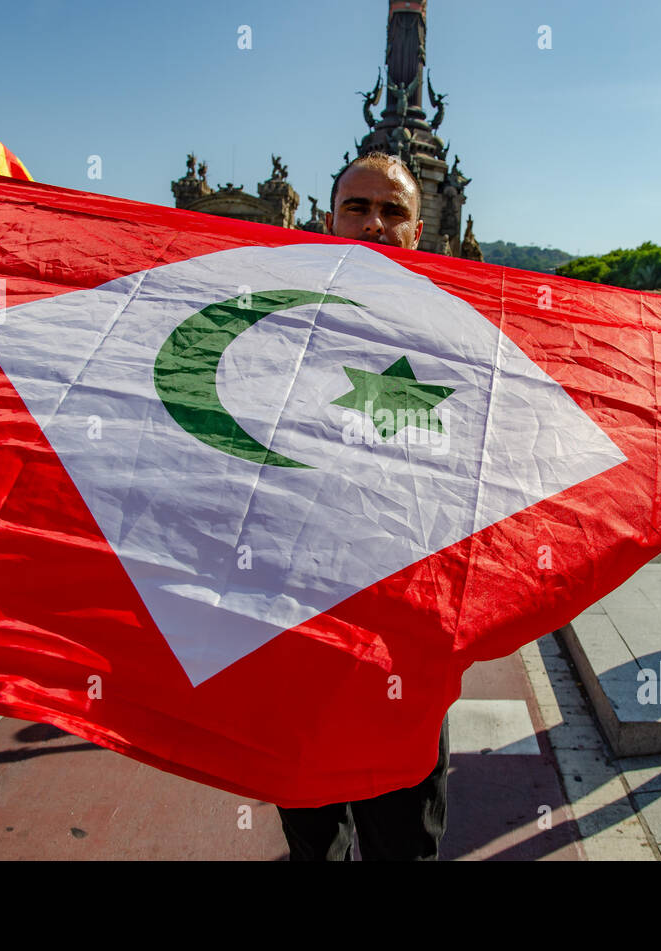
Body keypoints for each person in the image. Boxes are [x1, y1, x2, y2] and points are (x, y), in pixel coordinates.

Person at [274, 151, 448, 860]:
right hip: (293, 618)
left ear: (418, 232)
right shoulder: (275, 312)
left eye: (392, 211)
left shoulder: (459, 326)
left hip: (405, 628)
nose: (373, 222)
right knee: (312, 837)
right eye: (356, 206)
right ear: (327, 217)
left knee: (404, 839)